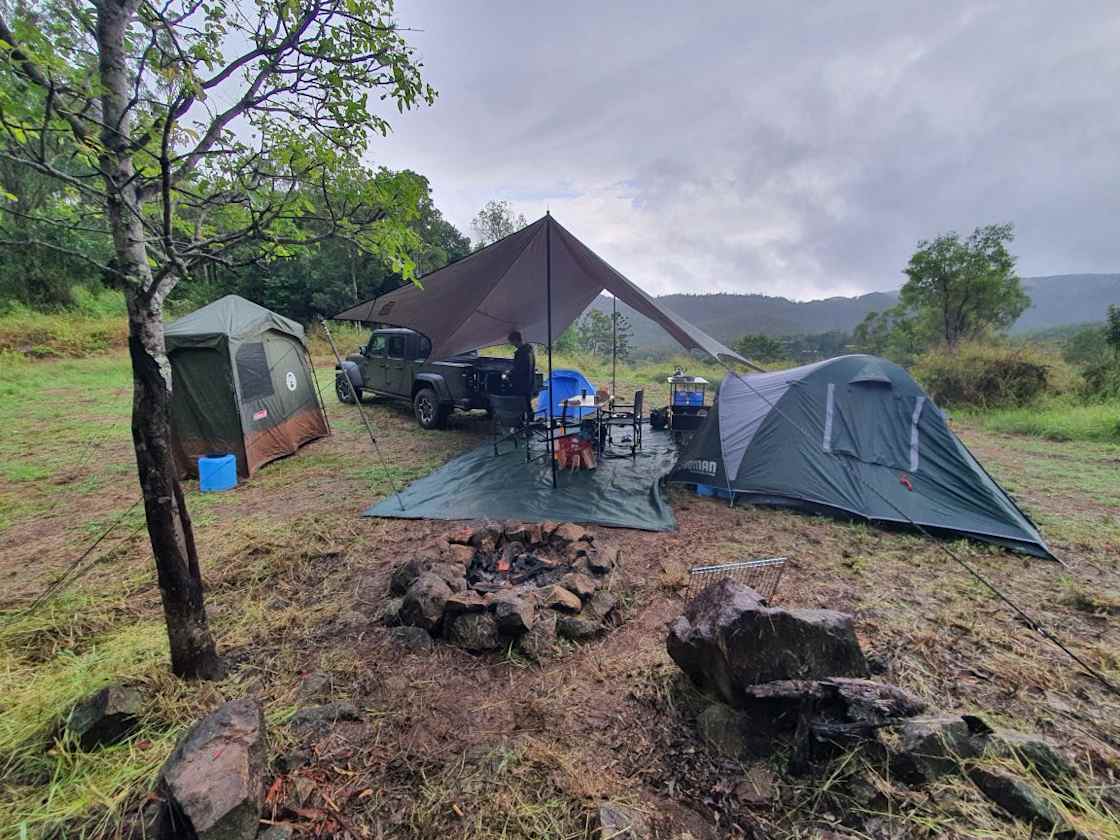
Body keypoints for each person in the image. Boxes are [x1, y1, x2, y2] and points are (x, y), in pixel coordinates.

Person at [508, 330, 536, 412]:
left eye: (512, 342)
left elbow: (520, 369)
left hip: (522, 383)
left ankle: (525, 421)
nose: (512, 344)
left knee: (522, 405)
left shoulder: (522, 352)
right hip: (529, 382)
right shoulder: (529, 350)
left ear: (516, 340)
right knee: (527, 404)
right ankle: (529, 421)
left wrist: (510, 375)